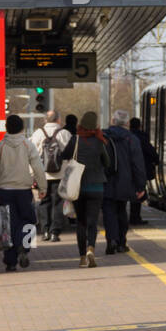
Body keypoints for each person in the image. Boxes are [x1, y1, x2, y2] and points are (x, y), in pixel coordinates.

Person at [0, 114, 48, 272]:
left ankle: (10, 261)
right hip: (24, 191)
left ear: (6, 128)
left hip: (5, 192)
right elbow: (38, 169)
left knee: (7, 226)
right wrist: (43, 188)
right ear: (22, 128)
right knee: (28, 220)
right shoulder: (28, 145)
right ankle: (25, 247)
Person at [60, 111, 112, 267]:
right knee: (92, 222)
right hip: (96, 187)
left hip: (78, 187)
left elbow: (64, 155)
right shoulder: (99, 140)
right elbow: (107, 163)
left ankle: (82, 257)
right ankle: (91, 248)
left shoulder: (75, 140)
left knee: (81, 222)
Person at [102, 111, 146, 254]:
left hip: (105, 181)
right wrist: (140, 186)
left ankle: (111, 240)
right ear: (127, 123)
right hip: (125, 182)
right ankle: (121, 242)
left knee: (108, 212)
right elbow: (138, 164)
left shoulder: (103, 136)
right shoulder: (131, 139)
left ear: (112, 120)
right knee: (121, 211)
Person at [30, 111, 71, 241]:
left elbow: (32, 156)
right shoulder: (65, 134)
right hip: (61, 175)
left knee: (44, 202)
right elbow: (72, 155)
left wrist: (32, 175)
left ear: (45, 120)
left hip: (42, 175)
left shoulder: (37, 134)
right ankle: (55, 232)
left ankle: (45, 231)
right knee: (58, 203)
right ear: (58, 120)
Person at [128, 116, 158, 226]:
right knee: (139, 193)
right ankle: (135, 218)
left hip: (127, 170)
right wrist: (156, 160)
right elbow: (151, 151)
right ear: (139, 126)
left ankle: (133, 217)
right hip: (140, 169)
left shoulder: (126, 136)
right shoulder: (141, 137)